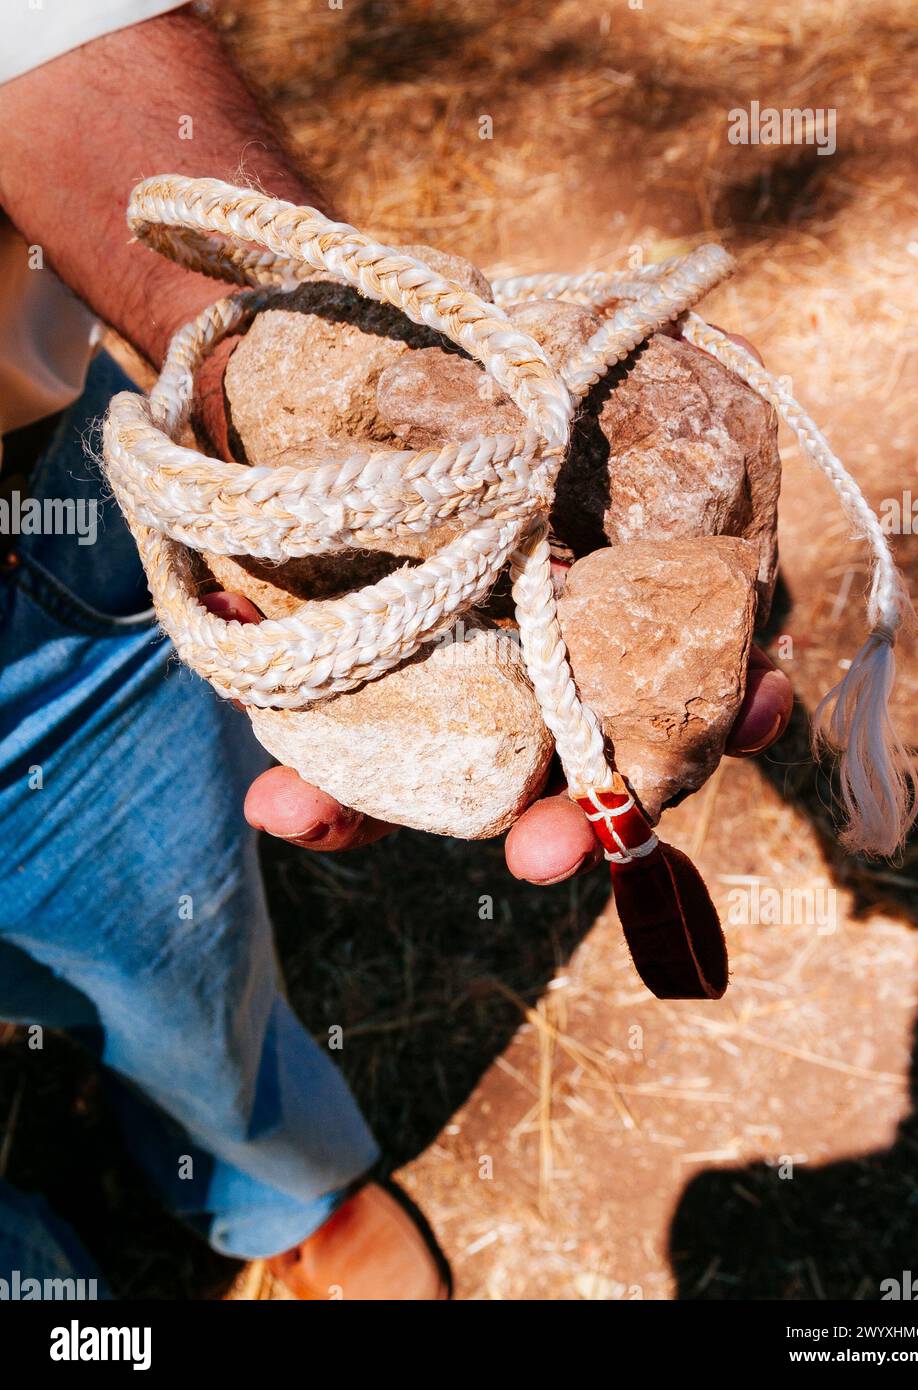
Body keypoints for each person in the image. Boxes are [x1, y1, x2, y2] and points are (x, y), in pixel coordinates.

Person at [0, 3, 792, 1299]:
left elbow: (39, 34)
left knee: (183, 973)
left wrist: (291, 354)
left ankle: (285, 1196)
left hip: (35, 576)